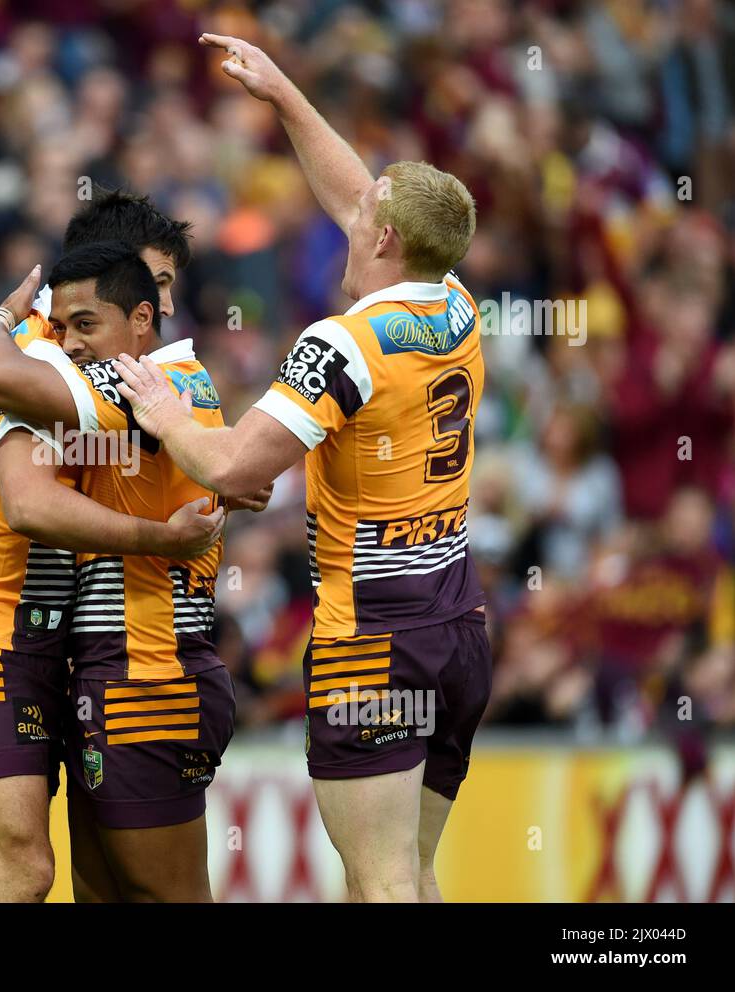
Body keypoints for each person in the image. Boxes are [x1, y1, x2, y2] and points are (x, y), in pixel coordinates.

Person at [111, 32, 488, 903]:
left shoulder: (343, 343)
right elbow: (359, 191)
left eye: (368, 214)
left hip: (373, 639)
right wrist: (282, 94)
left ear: (384, 237)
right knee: (409, 874)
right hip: (457, 621)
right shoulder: (457, 302)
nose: (351, 212)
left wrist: (162, 409)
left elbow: (238, 472)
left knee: (381, 882)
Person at [0, 191, 226, 903]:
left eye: (166, 288)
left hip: (58, 653)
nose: (160, 308)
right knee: (23, 872)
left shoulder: (126, 372)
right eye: (151, 283)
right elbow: (28, 503)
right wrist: (166, 534)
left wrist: (221, 468)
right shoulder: (44, 361)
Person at [0, 240, 260, 902]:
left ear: (142, 318)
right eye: (62, 326)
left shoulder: (142, 383)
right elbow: (238, 474)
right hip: (106, 672)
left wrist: (0, 322)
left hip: (151, 676)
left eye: (86, 325)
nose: (69, 343)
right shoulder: (156, 391)